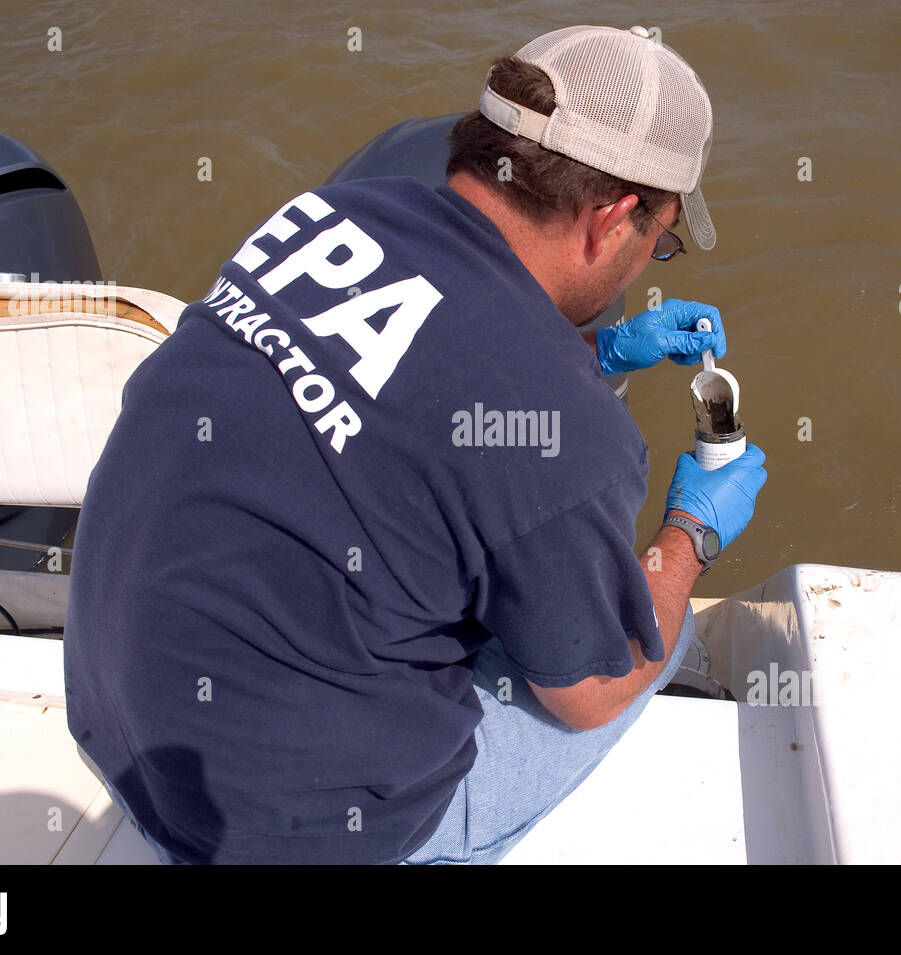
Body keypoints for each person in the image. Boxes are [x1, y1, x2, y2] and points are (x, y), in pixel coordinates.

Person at [64, 23, 768, 865]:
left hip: (109, 723)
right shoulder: (573, 438)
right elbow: (592, 691)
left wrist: (604, 350)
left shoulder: (328, 213)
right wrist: (690, 533)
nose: (650, 262)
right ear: (612, 218)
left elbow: (416, 369)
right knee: (652, 632)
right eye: (660, 241)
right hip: (273, 835)